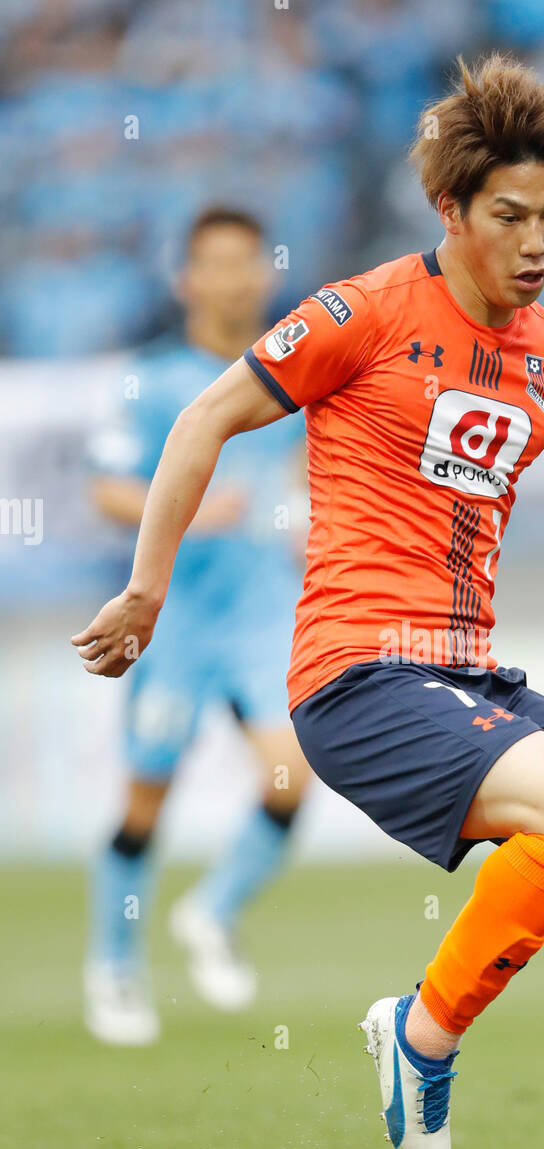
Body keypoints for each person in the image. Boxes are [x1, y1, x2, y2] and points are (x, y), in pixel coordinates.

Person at [72, 55, 544, 1149]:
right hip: (358, 674)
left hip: (471, 673)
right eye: (509, 217)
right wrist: (145, 591)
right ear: (451, 211)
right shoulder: (361, 312)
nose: (536, 243)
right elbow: (204, 416)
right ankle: (417, 1038)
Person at [83, 207, 311, 1045]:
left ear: (265, 272)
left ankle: (213, 910)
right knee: (145, 802)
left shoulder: (290, 371)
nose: (232, 278)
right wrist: (189, 510)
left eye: (246, 262)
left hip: (263, 615)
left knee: (292, 772)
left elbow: (306, 472)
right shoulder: (152, 380)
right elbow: (106, 490)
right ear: (186, 278)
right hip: (172, 621)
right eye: (213, 263)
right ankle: (113, 966)